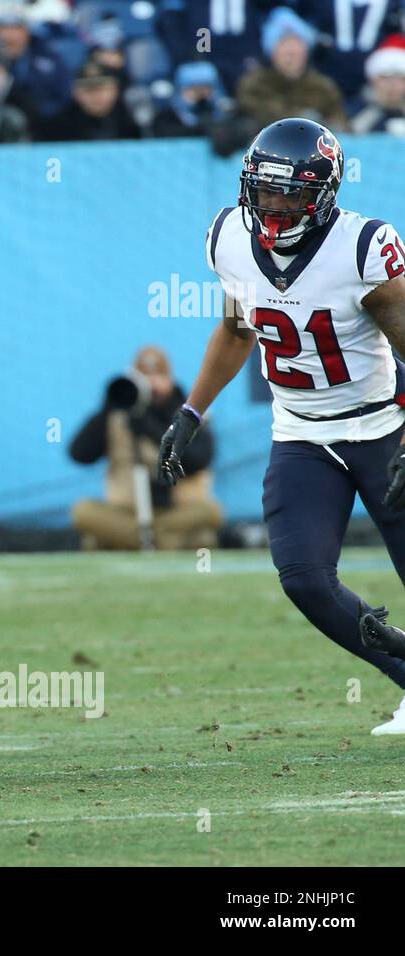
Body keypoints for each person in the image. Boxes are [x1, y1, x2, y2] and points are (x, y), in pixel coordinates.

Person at [158, 118, 405, 736]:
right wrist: (192, 411)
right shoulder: (229, 239)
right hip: (302, 435)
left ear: (323, 193)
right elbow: (237, 330)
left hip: (381, 427)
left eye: (291, 192)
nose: (275, 205)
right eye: (266, 190)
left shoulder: (360, 247)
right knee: (304, 579)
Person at [70, 346, 222, 551]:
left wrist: (147, 424)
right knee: (83, 511)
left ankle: (139, 540)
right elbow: (79, 454)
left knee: (211, 511)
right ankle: (160, 541)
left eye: (158, 376)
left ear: (170, 379)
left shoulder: (188, 412)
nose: (152, 385)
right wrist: (109, 405)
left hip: (177, 512)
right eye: (144, 377)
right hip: (127, 514)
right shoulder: (117, 416)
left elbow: (199, 460)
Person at [236, 8, 347, 133]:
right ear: (272, 52)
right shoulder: (254, 85)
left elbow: (341, 125)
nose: (291, 52)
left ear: (306, 51)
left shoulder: (324, 88)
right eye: (283, 44)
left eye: (296, 44)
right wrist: (304, 120)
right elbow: (259, 116)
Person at [41, 57, 141, 142]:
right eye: (88, 90)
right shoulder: (58, 127)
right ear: (75, 92)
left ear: (115, 90)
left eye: (101, 89)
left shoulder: (134, 124)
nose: (96, 96)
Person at [150, 60, 234, 140]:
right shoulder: (166, 118)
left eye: (206, 89)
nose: (200, 95)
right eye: (194, 89)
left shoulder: (228, 115)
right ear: (180, 91)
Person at [350, 36, 405, 135]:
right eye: (385, 77)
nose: (392, 84)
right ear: (373, 80)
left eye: (400, 78)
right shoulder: (356, 108)